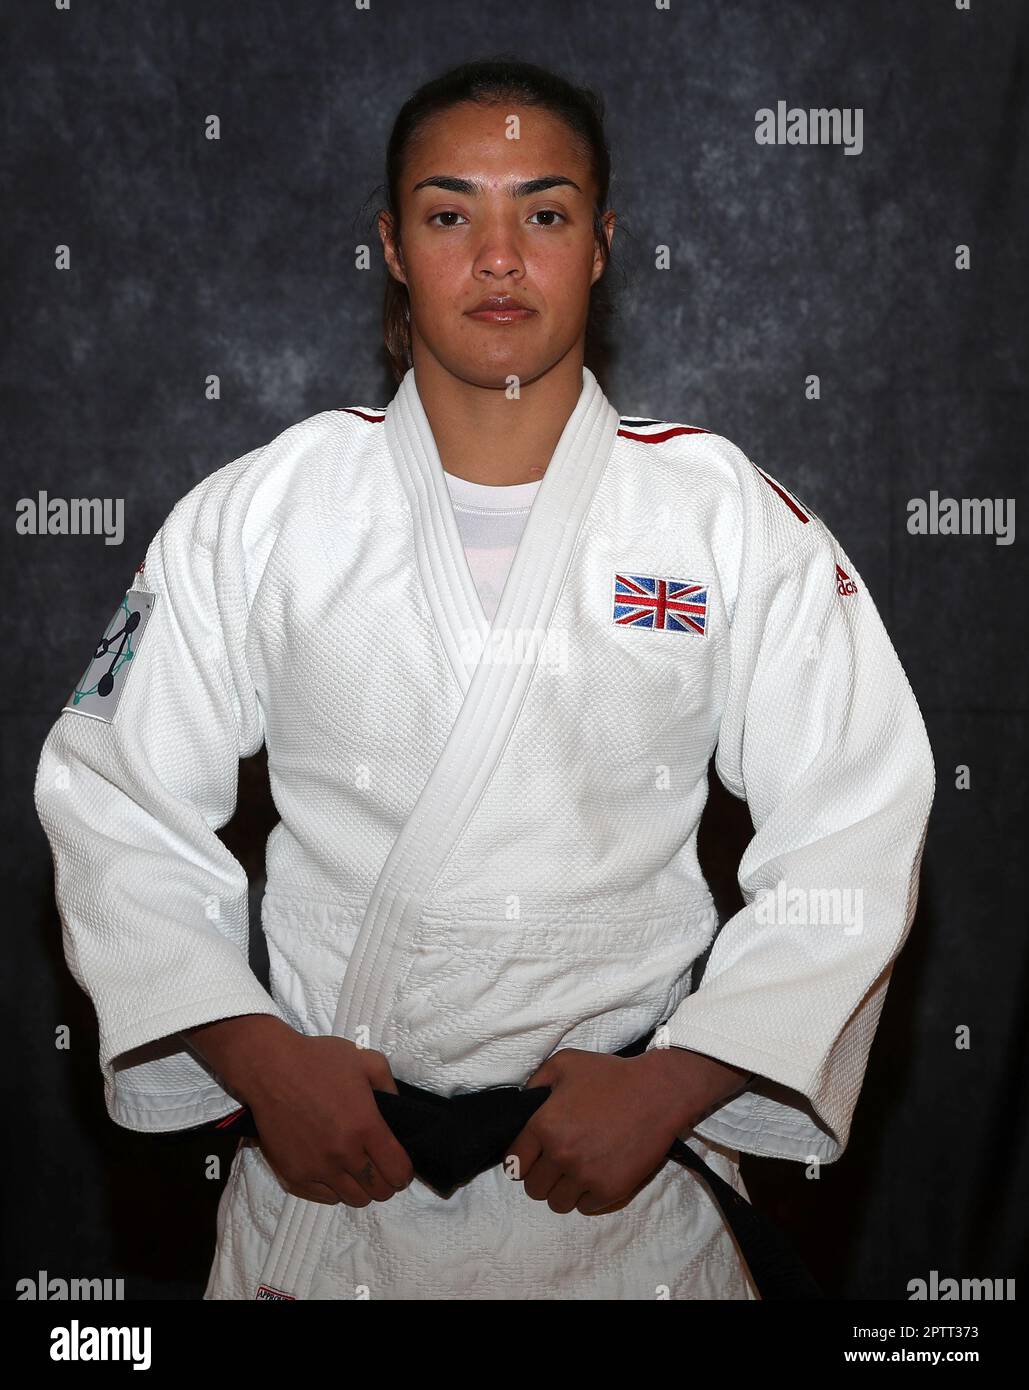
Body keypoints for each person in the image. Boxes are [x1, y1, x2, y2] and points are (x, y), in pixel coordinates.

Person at [33, 56, 935, 1301]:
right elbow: (113, 797)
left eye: (545, 214)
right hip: (333, 1190)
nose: (499, 257)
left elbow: (860, 822)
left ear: (603, 246)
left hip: (625, 1199)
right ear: (394, 249)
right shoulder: (263, 513)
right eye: (451, 214)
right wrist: (251, 1052)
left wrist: (680, 1081)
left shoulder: (724, 519)